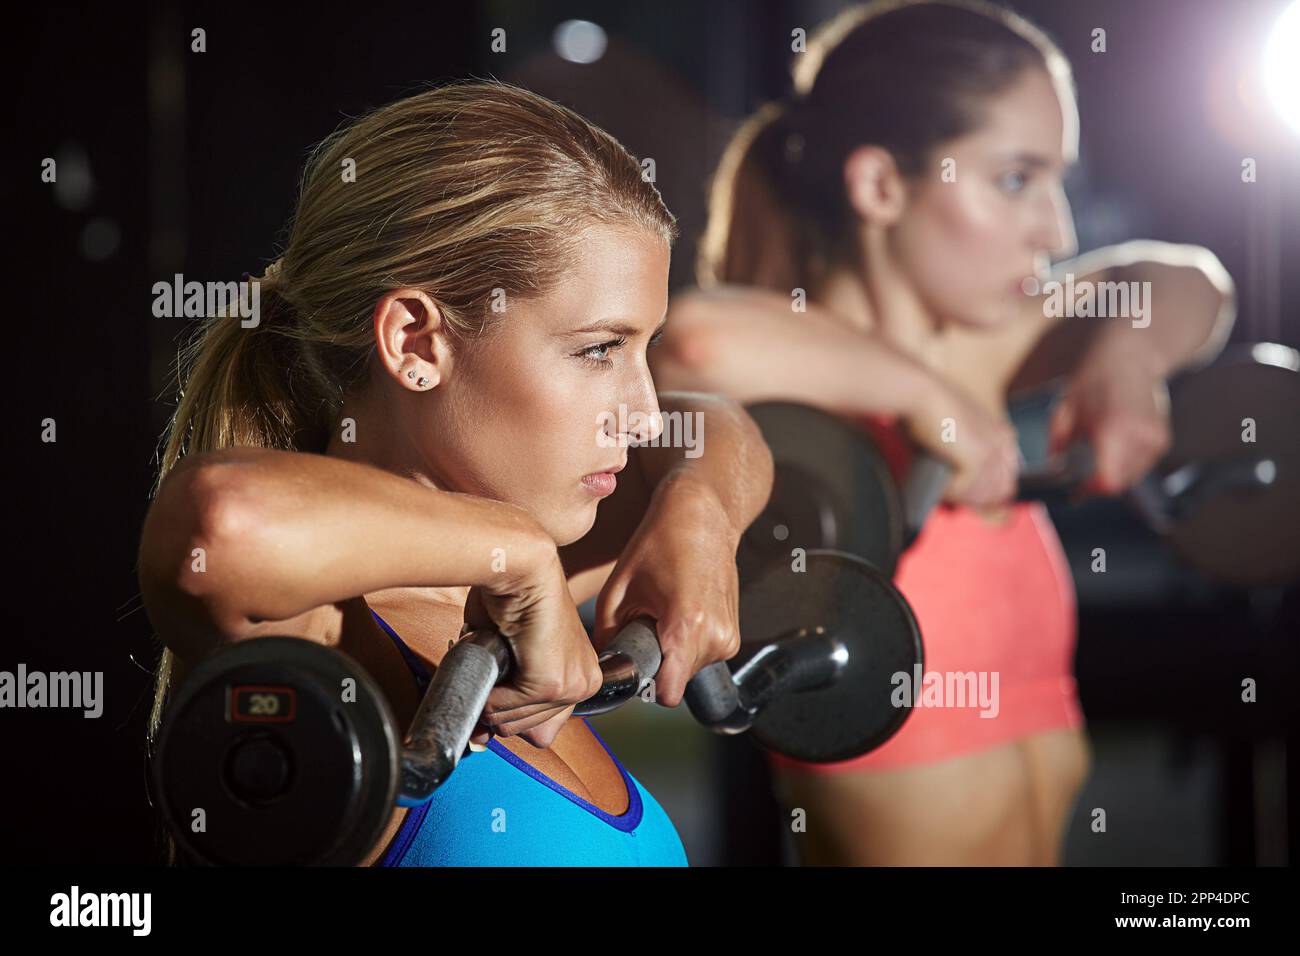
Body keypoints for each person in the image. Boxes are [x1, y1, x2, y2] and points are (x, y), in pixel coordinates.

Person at [652, 0, 1235, 865]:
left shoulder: (986, 350)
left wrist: (1129, 360)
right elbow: (689, 339)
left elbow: (1193, 281)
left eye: (1056, 182)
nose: (1057, 230)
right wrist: (927, 395)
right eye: (1015, 179)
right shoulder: (791, 406)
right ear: (882, 185)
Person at [136, 79, 774, 866]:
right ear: (415, 342)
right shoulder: (326, 635)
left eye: (644, 348)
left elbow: (720, 425)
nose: (642, 417)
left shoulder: (500, 582)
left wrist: (699, 519)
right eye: (599, 349)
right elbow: (219, 521)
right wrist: (520, 553)